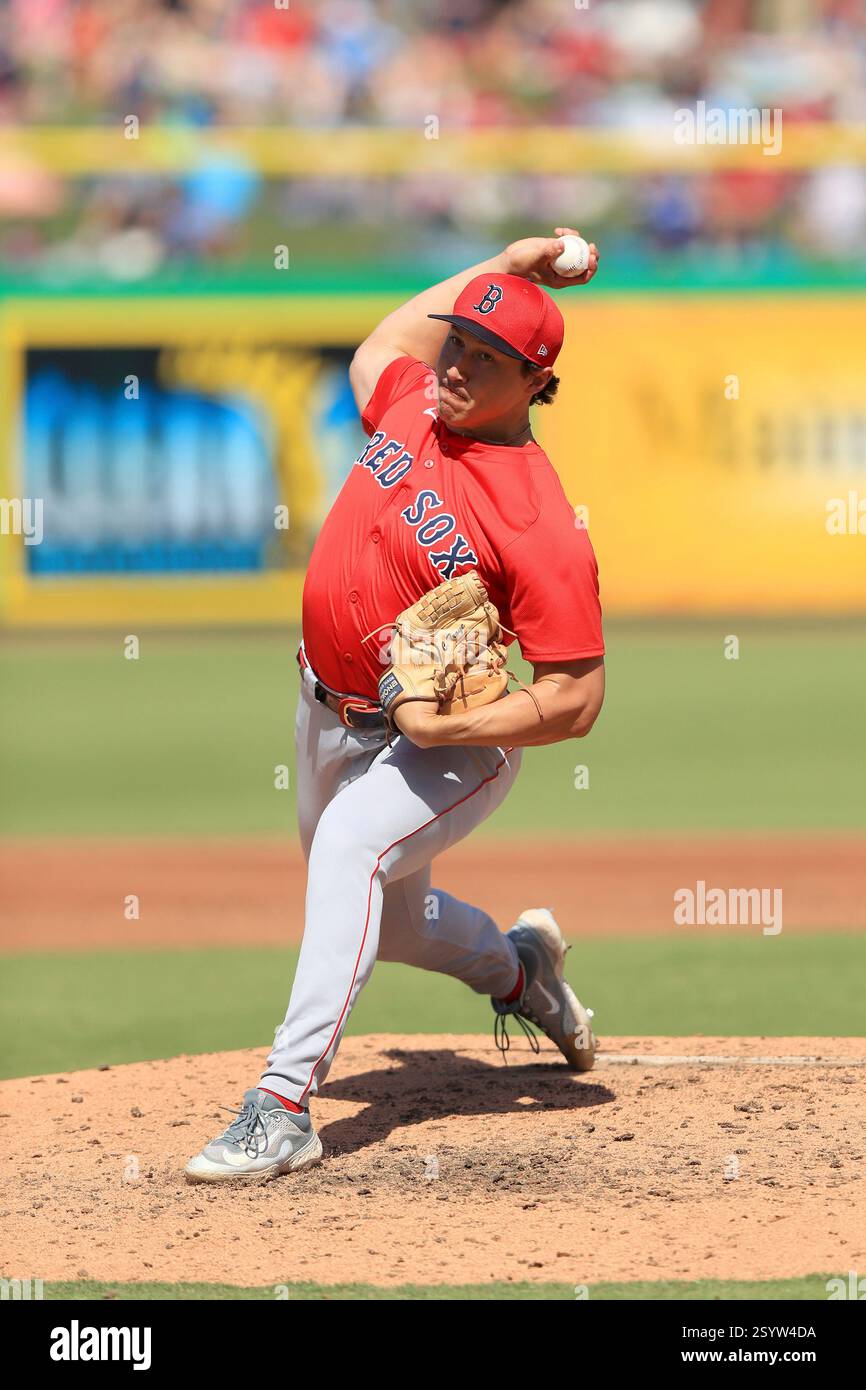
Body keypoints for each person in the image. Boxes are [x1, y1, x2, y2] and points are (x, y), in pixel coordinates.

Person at [185, 229, 606, 1183]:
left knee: (347, 851)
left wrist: (457, 728)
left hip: (451, 743)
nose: (454, 364)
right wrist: (502, 267)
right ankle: (521, 968)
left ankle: (282, 1107)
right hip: (327, 706)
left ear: (534, 379)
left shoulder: (539, 524)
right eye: (456, 342)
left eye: (485, 356)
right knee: (395, 918)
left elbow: (576, 695)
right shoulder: (413, 402)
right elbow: (382, 343)